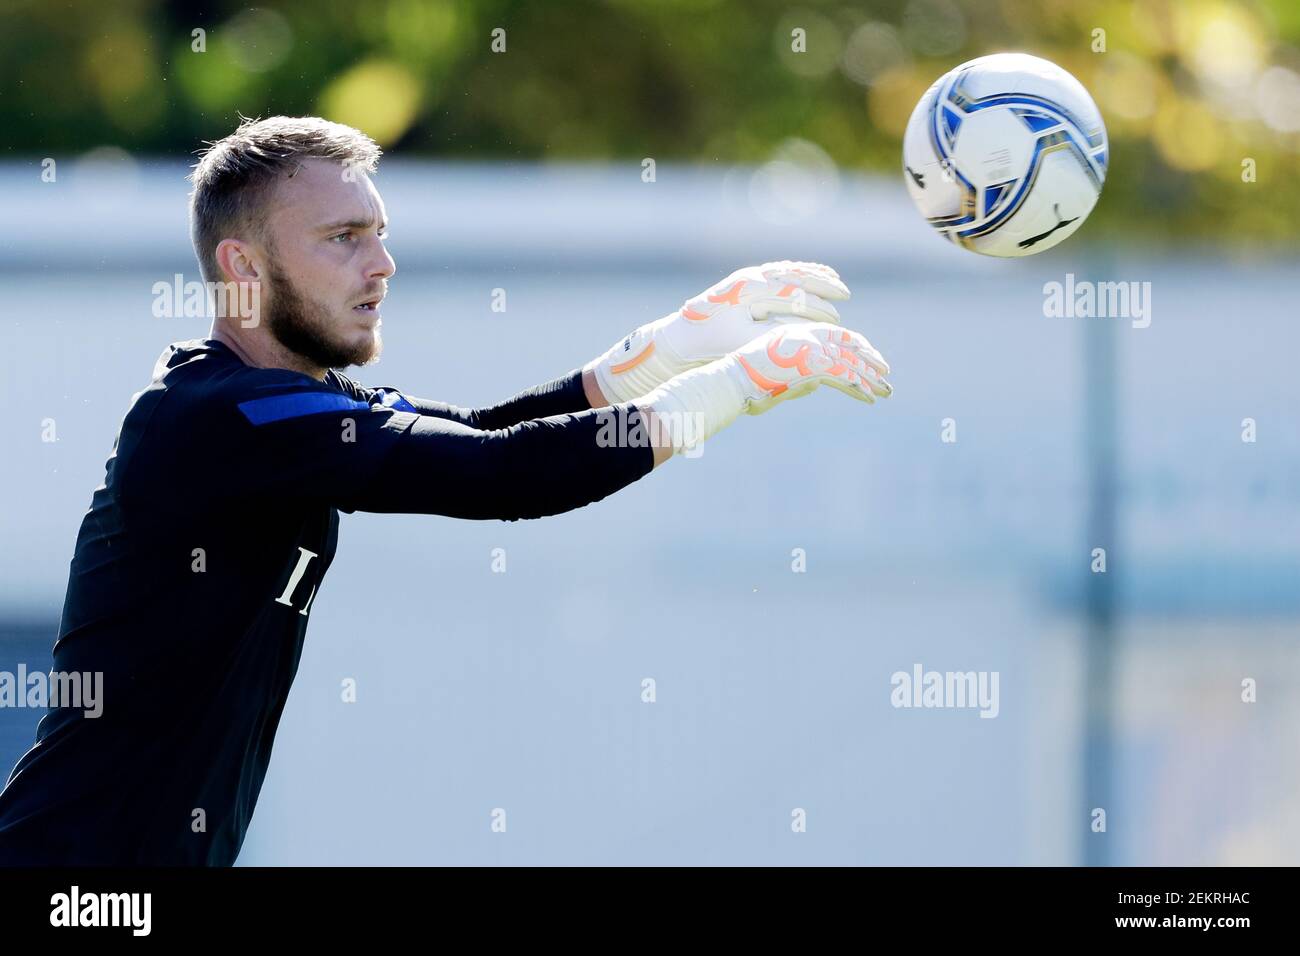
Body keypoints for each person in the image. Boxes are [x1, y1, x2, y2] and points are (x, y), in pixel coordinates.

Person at [0, 116, 891, 865]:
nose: (382, 263)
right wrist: (736, 387)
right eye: (343, 238)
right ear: (243, 267)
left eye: (380, 232)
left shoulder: (279, 406)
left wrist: (658, 352)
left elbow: (482, 432)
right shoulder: (223, 419)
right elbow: (501, 475)